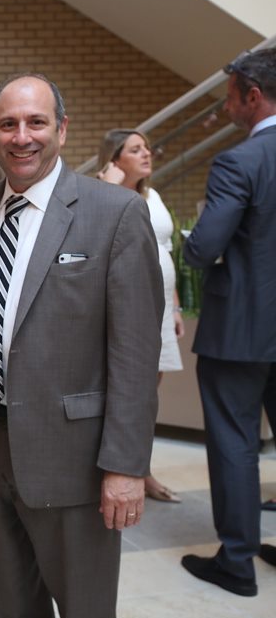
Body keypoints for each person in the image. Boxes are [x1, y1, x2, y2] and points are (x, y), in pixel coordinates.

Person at [0, 74, 163, 618]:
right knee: (7, 608)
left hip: (75, 455)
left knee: (85, 615)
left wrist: (127, 466)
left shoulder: (113, 214)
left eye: (36, 122)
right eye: (8, 124)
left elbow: (135, 354)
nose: (21, 137)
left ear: (61, 129)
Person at [180, 48, 276, 597]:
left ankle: (237, 561)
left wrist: (193, 250)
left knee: (235, 444)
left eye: (231, 93)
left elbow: (204, 246)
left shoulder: (241, 162)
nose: (226, 104)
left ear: (253, 96)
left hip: (241, 328)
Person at [97, 128, 185, 503]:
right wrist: (111, 187)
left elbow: (165, 250)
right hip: (130, 306)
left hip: (162, 305)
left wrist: (177, 305)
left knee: (150, 395)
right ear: (115, 159)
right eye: (135, 149)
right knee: (129, 391)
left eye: (146, 147)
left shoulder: (153, 195)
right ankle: (122, 468)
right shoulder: (102, 195)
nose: (146, 154)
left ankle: (140, 468)